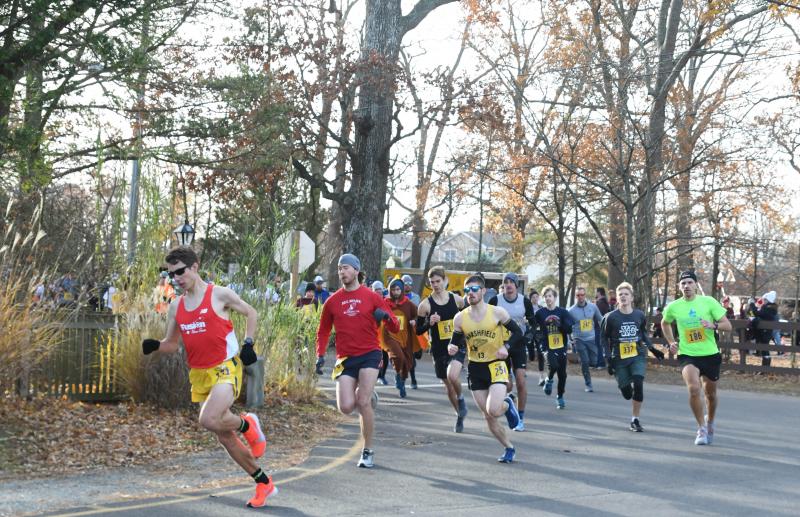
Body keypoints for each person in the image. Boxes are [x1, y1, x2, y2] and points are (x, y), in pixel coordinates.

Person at [141, 246, 274, 508]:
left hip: (225, 367)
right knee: (222, 434)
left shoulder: (219, 294)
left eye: (180, 271)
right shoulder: (177, 306)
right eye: (171, 274)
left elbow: (251, 313)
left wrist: (248, 343)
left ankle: (248, 425)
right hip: (199, 374)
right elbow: (171, 344)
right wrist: (155, 346)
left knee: (209, 419)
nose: (176, 278)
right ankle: (263, 482)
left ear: (194, 267)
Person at [316, 254, 399, 468]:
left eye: (345, 268)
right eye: (339, 269)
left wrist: (386, 317)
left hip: (370, 353)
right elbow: (323, 330)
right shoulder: (332, 301)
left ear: (355, 270)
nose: (341, 272)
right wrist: (320, 354)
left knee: (362, 402)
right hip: (345, 358)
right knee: (345, 407)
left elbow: (395, 326)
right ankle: (369, 394)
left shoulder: (372, 297)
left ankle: (368, 450)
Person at [448, 274, 522, 463]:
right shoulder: (460, 318)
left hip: (496, 364)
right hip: (475, 368)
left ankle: (507, 404)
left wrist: (506, 347)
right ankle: (509, 448)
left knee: (494, 409)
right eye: (467, 291)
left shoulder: (497, 312)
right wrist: (452, 348)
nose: (470, 294)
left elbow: (518, 332)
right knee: (488, 416)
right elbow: (454, 344)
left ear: (482, 291)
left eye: (474, 290)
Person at [661, 270, 732, 446]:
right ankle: (701, 428)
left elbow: (728, 326)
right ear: (679, 287)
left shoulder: (708, 302)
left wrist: (713, 325)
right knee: (694, 388)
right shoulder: (674, 306)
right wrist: (671, 341)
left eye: (690, 282)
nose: (686, 286)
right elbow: (665, 322)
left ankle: (710, 422)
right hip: (687, 354)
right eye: (683, 283)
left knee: (711, 394)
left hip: (710, 354)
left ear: (695, 285)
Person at [602, 282, 665, 432]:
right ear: (617, 298)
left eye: (626, 294)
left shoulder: (639, 315)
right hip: (619, 359)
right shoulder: (610, 317)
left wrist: (652, 349)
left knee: (638, 383)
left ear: (631, 298)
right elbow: (603, 338)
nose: (623, 296)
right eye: (620, 294)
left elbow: (642, 333)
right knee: (627, 393)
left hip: (637, 355)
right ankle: (624, 386)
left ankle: (635, 419)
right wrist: (608, 358)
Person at [416, 266, 469, 433]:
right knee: (448, 385)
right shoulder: (425, 305)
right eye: (432, 282)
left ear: (445, 281)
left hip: (456, 346)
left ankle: (461, 399)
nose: (435, 285)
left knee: (452, 375)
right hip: (439, 349)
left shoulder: (457, 300)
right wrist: (429, 323)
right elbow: (418, 330)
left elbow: (467, 319)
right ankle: (459, 414)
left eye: (438, 281)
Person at [488, 273, 536, 431]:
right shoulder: (495, 301)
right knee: (506, 384)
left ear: (516, 285)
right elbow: (488, 321)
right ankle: (509, 403)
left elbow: (533, 324)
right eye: (505, 282)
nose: (508, 285)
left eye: (511, 282)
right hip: (500, 346)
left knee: (521, 381)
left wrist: (529, 335)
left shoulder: (525, 301)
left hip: (518, 345)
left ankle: (521, 418)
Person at [534, 285, 576, 409]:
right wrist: (540, 331)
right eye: (545, 296)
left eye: (550, 296)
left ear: (555, 297)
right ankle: (549, 379)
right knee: (553, 365)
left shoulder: (562, 312)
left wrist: (560, 324)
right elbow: (535, 328)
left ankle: (560, 397)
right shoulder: (540, 313)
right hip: (547, 345)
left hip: (560, 345)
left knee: (562, 374)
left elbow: (568, 330)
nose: (548, 298)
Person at [382, 277, 417, 398]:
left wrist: (414, 321)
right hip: (389, 336)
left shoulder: (408, 304)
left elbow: (417, 315)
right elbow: (376, 314)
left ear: (401, 290)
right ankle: (398, 374)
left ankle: (401, 381)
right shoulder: (385, 303)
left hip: (405, 337)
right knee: (399, 357)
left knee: (407, 362)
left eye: (398, 289)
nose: (395, 292)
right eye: (393, 289)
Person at [568, 286, 604, 392]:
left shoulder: (593, 307)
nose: (580, 297)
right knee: (585, 361)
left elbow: (601, 320)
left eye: (582, 295)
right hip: (579, 339)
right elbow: (568, 326)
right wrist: (571, 339)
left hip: (591, 338)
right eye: (578, 295)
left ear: (585, 295)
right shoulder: (571, 311)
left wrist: (606, 330)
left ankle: (588, 361)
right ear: (576, 296)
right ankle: (588, 384)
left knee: (593, 362)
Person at [750, 292, 779, 367]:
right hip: (765, 330)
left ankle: (765, 367)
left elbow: (758, 313)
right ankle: (765, 367)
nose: (764, 301)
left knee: (765, 348)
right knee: (764, 349)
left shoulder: (769, 308)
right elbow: (758, 313)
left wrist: (752, 304)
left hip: (765, 331)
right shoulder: (769, 307)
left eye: (765, 299)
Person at [528, 289, 546, 386]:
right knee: (531, 355)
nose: (535, 299)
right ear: (530, 299)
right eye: (533, 297)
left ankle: (541, 377)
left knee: (540, 353)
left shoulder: (541, 308)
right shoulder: (527, 308)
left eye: (536, 297)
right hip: (530, 332)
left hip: (539, 332)